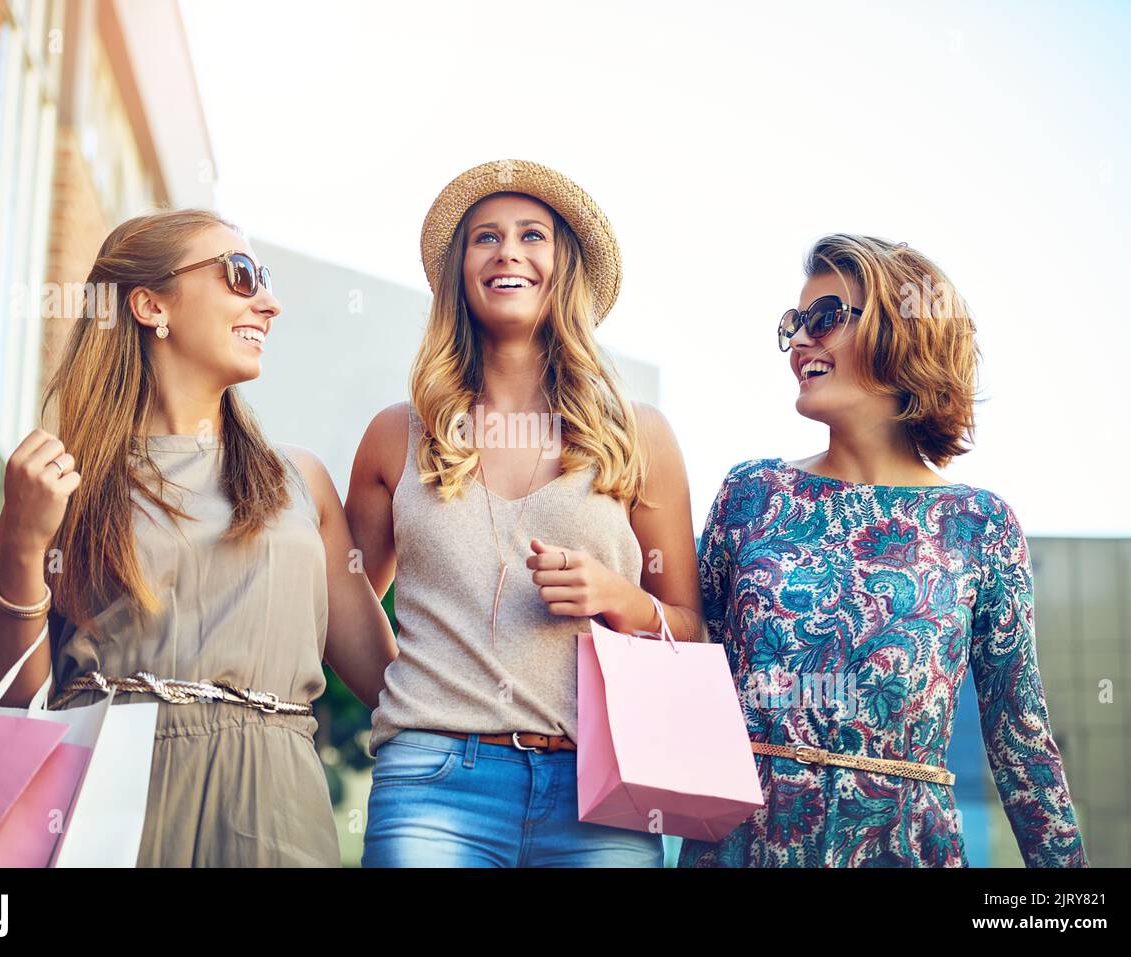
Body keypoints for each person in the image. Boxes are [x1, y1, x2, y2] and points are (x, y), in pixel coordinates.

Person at [0, 208, 397, 867]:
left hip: (273, 814)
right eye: (240, 275)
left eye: (263, 278)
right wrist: (20, 546)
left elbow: (391, 684)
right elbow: (14, 705)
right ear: (151, 305)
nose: (270, 302)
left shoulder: (300, 483)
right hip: (104, 815)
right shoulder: (69, 483)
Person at [679, 234, 1087, 867]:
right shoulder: (751, 492)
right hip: (746, 847)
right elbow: (681, 655)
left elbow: (1019, 736)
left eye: (825, 317)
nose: (801, 341)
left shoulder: (979, 524)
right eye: (795, 323)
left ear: (905, 335)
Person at [346, 159, 703, 867]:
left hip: (601, 793)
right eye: (486, 237)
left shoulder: (640, 436)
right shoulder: (397, 434)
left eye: (531, 235)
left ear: (562, 267)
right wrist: (411, 687)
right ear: (462, 272)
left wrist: (620, 598)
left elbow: (690, 630)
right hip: (432, 779)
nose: (508, 251)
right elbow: (346, 591)